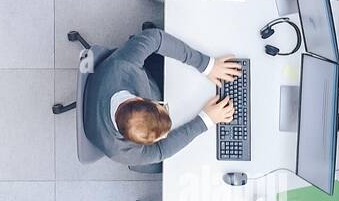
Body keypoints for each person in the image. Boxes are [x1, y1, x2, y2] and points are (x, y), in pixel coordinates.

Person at [82, 26, 242, 169]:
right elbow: (160, 151)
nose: (166, 136)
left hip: (109, 80)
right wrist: (205, 121)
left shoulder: (124, 66)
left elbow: (155, 38)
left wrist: (207, 65)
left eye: (162, 107)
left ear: (139, 98)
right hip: (103, 90)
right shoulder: (121, 152)